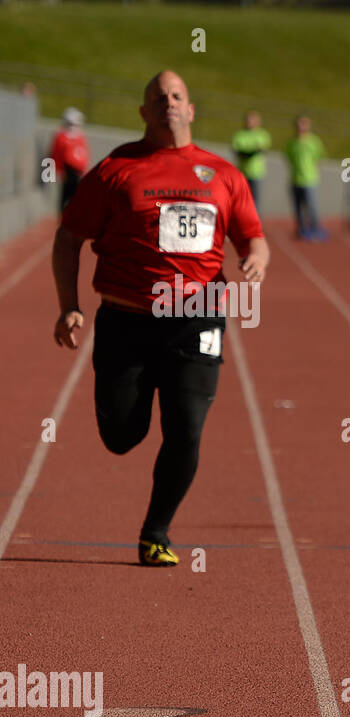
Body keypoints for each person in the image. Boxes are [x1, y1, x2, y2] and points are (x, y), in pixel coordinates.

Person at [51, 70, 268, 567]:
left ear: (190, 109)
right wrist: (69, 305)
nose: (168, 103)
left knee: (187, 427)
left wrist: (257, 258)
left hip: (197, 318)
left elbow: (254, 237)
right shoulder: (115, 169)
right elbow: (68, 238)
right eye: (158, 98)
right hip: (126, 320)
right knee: (122, 436)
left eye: (177, 96)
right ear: (144, 112)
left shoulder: (223, 175)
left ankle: (156, 533)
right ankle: (128, 413)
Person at [286, 115, 325, 240]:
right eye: (299, 124)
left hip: (309, 179)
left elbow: (319, 157)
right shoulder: (292, 143)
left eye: (304, 124)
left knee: (311, 206)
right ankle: (301, 230)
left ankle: (315, 230)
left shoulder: (314, 142)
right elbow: (289, 157)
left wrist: (313, 170)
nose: (301, 127)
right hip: (295, 179)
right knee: (298, 208)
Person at [48, 107, 91, 211]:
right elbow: (55, 154)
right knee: (65, 196)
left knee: (75, 197)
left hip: (77, 173)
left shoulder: (80, 138)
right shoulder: (61, 137)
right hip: (67, 172)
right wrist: (56, 171)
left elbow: (84, 155)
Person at [231, 110, 272, 209]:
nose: (250, 122)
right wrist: (252, 151)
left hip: (256, 173)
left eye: (252, 120)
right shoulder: (240, 134)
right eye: (248, 120)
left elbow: (260, 150)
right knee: (240, 201)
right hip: (242, 173)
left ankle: (254, 223)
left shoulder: (262, 135)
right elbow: (239, 152)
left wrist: (248, 152)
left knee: (255, 202)